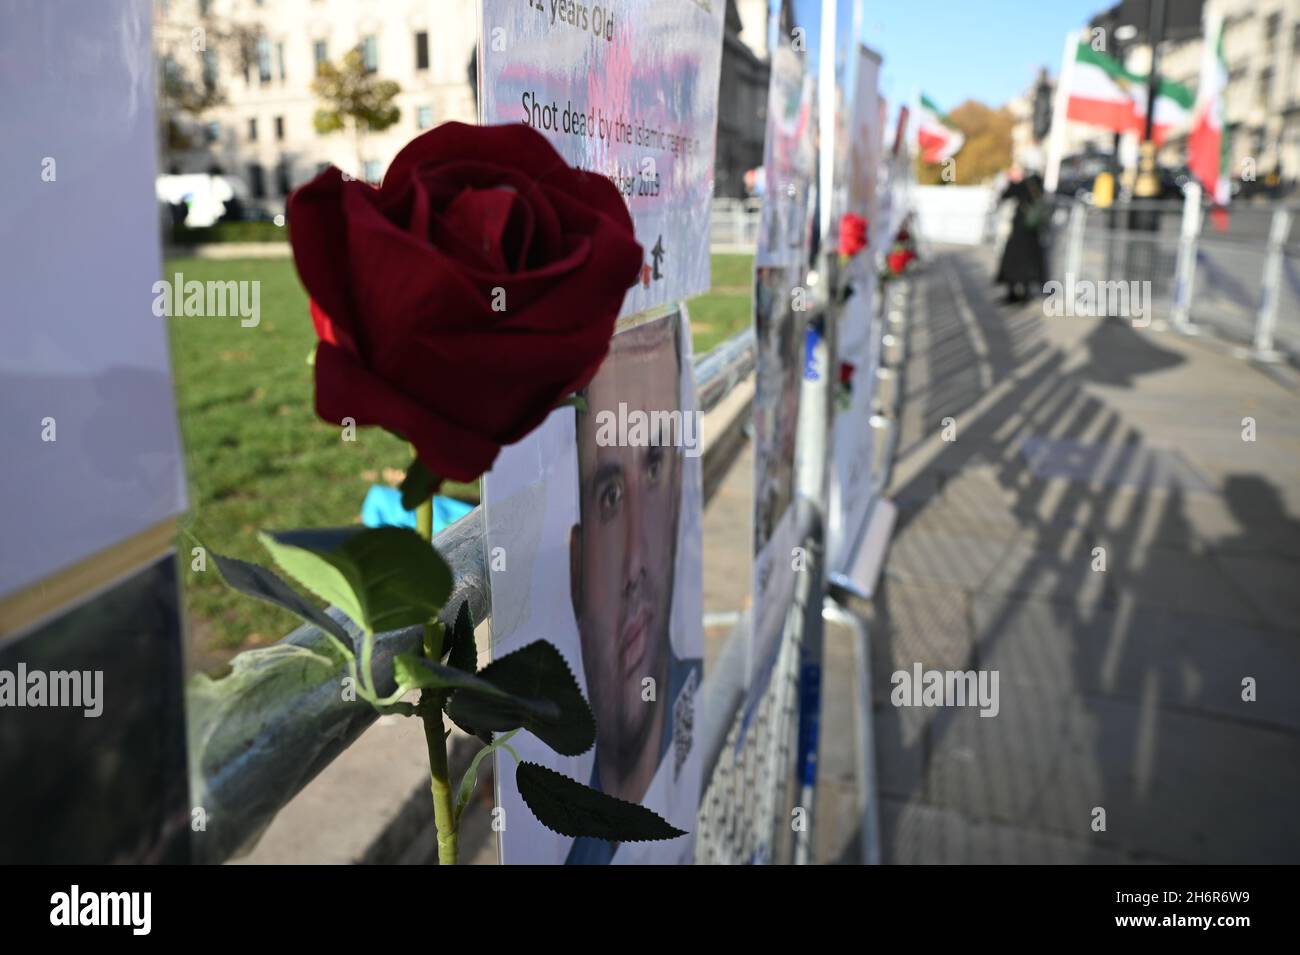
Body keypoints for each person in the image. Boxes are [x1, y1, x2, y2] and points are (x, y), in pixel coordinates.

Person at [566, 316, 694, 864]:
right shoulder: (562, 840)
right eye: (610, 496)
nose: (638, 561)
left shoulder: (703, 717)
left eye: (657, 466)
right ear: (575, 561)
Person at [995, 165, 1048, 302]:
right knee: (1029, 261)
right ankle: (1024, 293)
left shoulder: (1022, 184)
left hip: (1020, 230)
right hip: (1032, 231)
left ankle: (1014, 293)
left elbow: (1005, 195)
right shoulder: (1038, 184)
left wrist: (1012, 181)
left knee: (1013, 261)